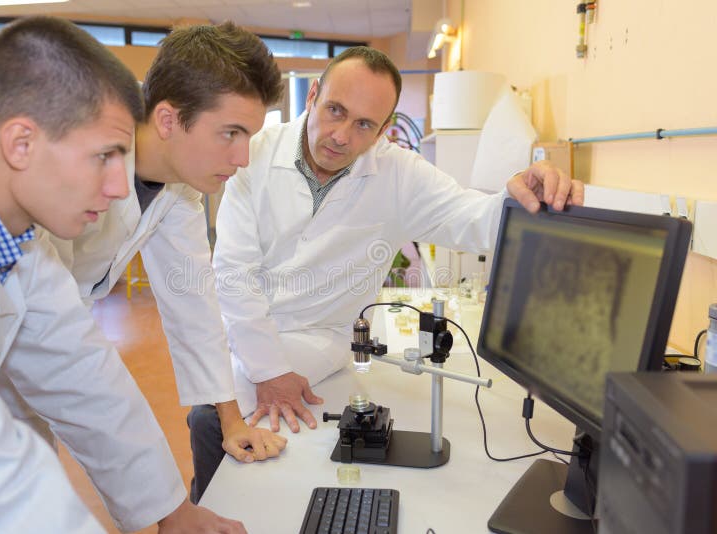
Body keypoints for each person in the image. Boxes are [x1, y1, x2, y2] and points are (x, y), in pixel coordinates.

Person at [189, 46, 585, 493]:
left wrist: (524, 200)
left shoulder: (399, 175)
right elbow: (234, 273)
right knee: (207, 413)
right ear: (312, 95)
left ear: (383, 130)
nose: (341, 136)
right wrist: (268, 371)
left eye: (364, 125)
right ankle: (201, 511)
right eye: (335, 110)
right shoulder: (255, 155)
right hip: (245, 327)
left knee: (228, 424)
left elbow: (473, 217)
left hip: (318, 335)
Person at [0, 16, 243, 533]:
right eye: (104, 158)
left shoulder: (21, 238)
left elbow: (83, 375)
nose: (119, 188)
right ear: (20, 144)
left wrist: (173, 512)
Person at [0, 21, 287, 509]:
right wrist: (166, 508)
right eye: (230, 134)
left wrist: (231, 419)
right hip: (1, 333)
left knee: (21, 475)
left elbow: (191, 297)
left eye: (250, 137)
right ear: (169, 120)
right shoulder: (73, 157)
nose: (242, 157)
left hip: (50, 325)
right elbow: (73, 362)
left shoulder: (178, 184)